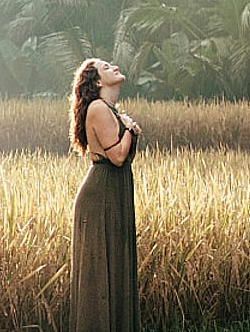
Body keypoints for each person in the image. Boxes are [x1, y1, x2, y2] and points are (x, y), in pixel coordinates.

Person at [69, 57, 142, 332]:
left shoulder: (109, 109)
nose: (113, 65)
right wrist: (131, 130)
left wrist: (126, 127)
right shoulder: (99, 108)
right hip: (101, 197)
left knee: (114, 267)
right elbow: (118, 156)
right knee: (101, 272)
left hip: (113, 192)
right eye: (105, 66)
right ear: (98, 81)